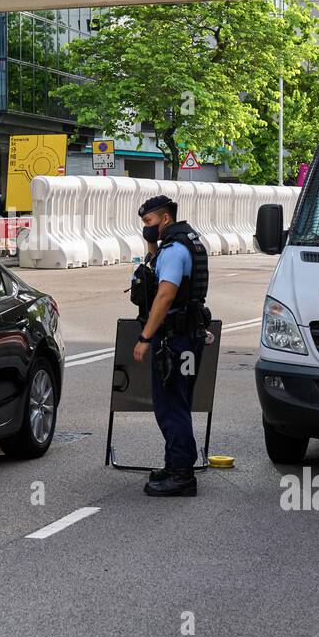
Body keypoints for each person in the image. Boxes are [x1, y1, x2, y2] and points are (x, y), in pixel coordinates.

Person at [130, 194, 209, 496]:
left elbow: (164, 295)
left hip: (175, 338)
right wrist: (151, 242)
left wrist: (145, 337)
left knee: (170, 406)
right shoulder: (186, 241)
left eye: (149, 222)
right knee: (178, 403)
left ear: (165, 219)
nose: (146, 228)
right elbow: (155, 266)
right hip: (188, 336)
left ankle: (182, 475)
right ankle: (176, 462)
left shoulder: (175, 250)